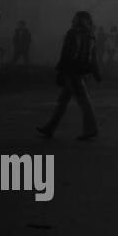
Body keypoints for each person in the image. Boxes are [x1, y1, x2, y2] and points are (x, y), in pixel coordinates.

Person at [37, 11, 101, 140]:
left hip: (73, 72)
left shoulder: (73, 34)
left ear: (78, 20)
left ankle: (91, 129)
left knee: (83, 102)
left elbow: (67, 54)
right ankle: (50, 128)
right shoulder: (91, 35)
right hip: (80, 72)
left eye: (75, 18)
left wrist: (61, 70)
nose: (73, 20)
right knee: (64, 101)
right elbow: (93, 58)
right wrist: (96, 73)